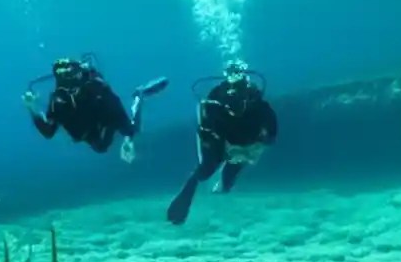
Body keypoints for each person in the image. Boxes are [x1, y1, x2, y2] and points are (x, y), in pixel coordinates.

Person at [167, 60, 277, 225]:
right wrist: (208, 136)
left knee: (231, 173)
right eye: (230, 71)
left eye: (237, 71)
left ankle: (223, 187)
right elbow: (205, 122)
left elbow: (270, 121)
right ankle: (186, 200)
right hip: (221, 141)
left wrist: (267, 138)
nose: (234, 76)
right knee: (205, 171)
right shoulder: (217, 94)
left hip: (245, 143)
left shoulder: (255, 98)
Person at [24, 56, 168, 162]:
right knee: (101, 148)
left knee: (131, 130)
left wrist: (128, 140)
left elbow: (116, 111)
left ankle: (139, 95)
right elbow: (48, 131)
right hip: (89, 132)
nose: (68, 86)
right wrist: (32, 107)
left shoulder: (96, 88)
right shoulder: (58, 100)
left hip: (107, 119)